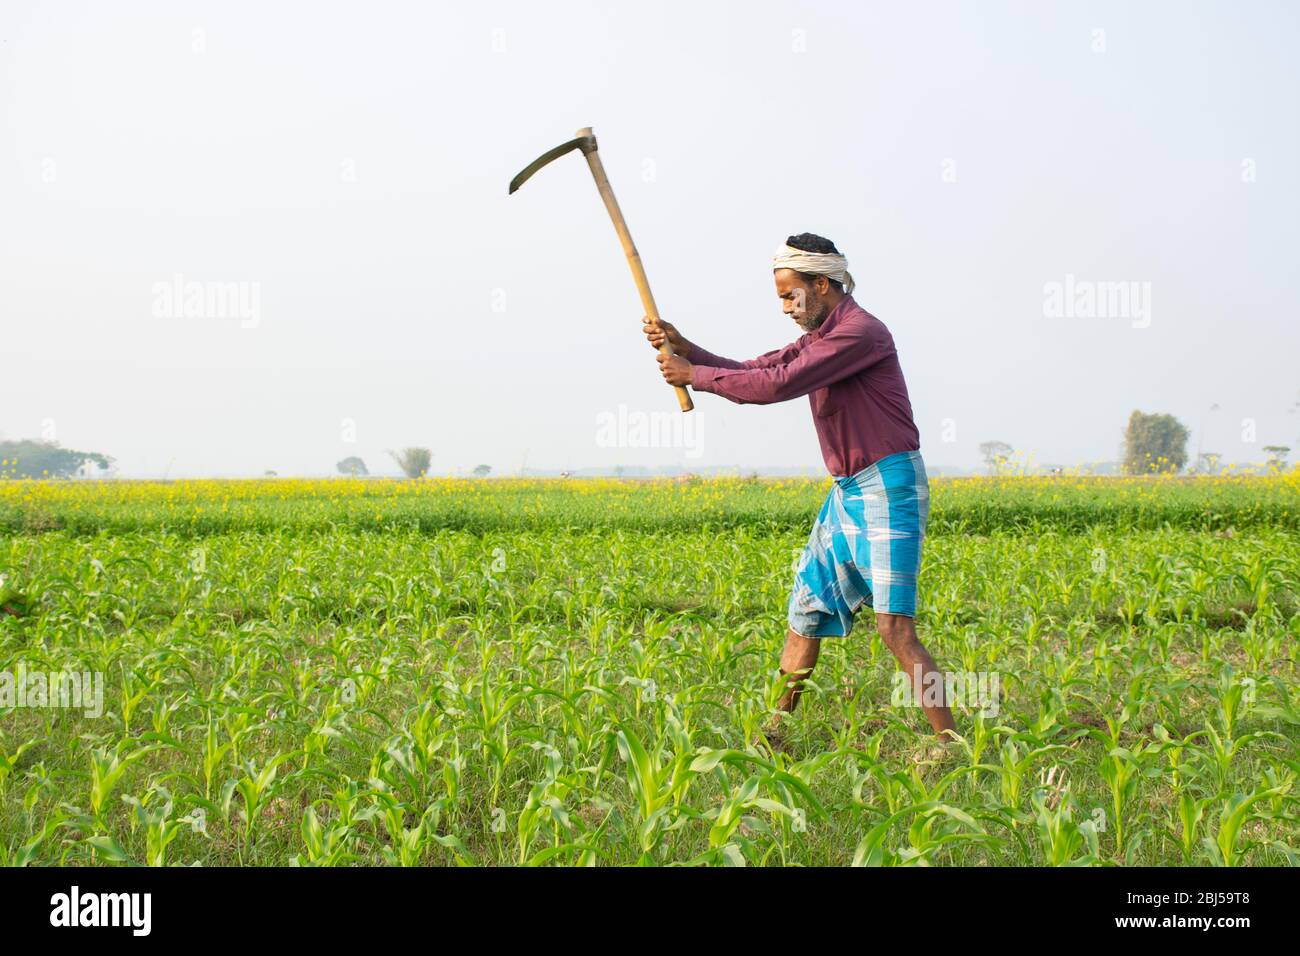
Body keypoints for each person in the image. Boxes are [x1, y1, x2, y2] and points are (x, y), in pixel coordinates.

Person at [646, 233, 957, 749]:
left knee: (894, 628)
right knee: (808, 607)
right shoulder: (822, 336)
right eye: (780, 298)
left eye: (792, 295)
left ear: (822, 283)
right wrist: (684, 347)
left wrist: (694, 375)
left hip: (889, 488)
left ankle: (952, 747)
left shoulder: (859, 334)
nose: (787, 307)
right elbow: (760, 369)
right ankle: (777, 732)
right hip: (847, 490)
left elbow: (777, 386)